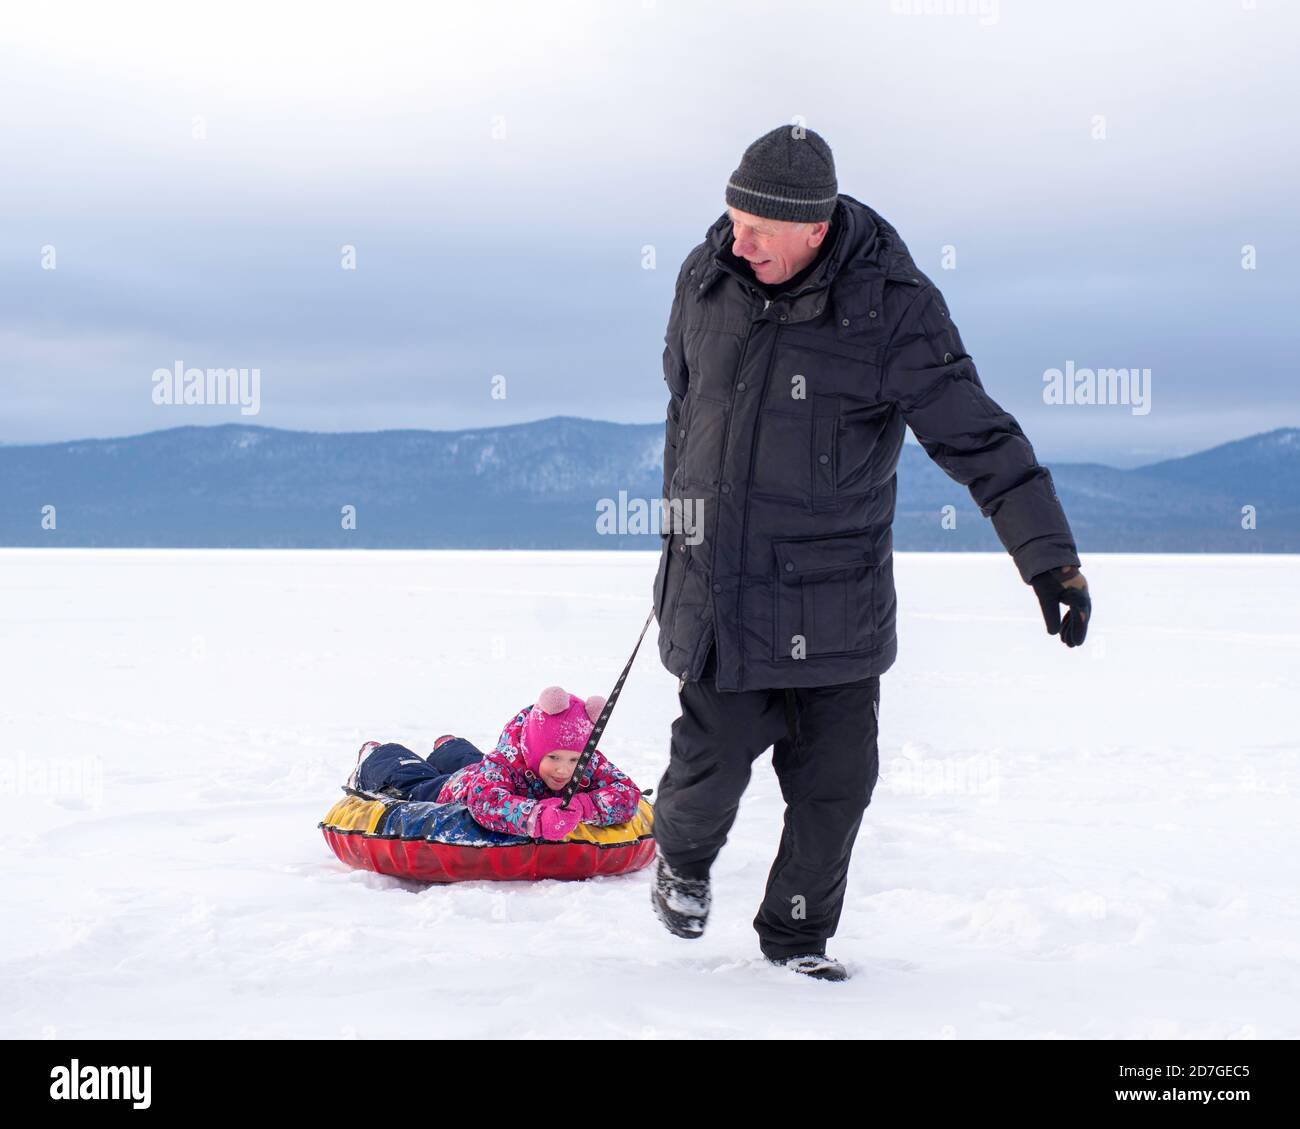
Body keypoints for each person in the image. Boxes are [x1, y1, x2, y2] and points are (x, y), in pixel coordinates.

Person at [649, 125, 1092, 982]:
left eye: (759, 230)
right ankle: (683, 862)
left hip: (834, 600)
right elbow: (684, 409)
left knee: (836, 787)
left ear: (815, 229)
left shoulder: (891, 307)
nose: (738, 242)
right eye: (734, 219)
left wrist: (1049, 558)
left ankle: (796, 941)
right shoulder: (707, 278)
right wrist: (683, 531)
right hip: (722, 589)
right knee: (706, 772)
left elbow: (978, 435)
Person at [349, 686, 642, 840]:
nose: (564, 770)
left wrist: (582, 806)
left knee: (476, 762)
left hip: (481, 769)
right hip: (456, 788)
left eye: (574, 760)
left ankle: (449, 747)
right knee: (416, 780)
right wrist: (536, 817)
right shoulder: (505, 764)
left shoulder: (588, 762)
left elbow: (627, 792)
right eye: (553, 757)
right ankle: (379, 754)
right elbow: (485, 800)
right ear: (533, 750)